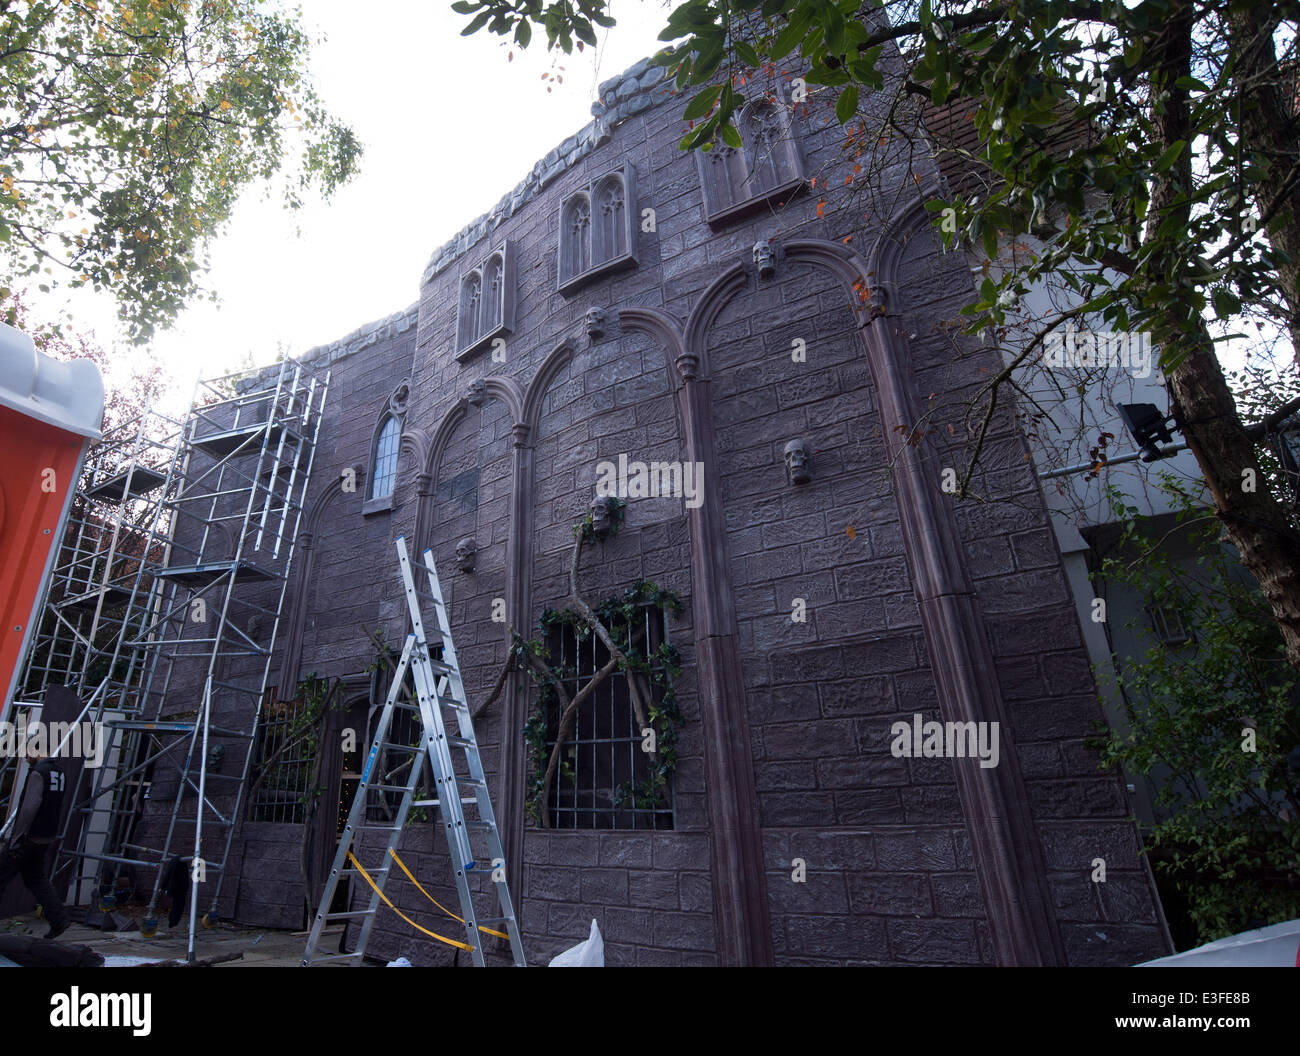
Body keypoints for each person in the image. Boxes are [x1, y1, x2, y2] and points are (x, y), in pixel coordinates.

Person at [0, 742, 69, 939]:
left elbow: (29, 807)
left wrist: (16, 838)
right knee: (36, 879)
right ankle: (59, 918)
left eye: (26, 754)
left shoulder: (38, 772)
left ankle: (59, 919)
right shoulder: (59, 773)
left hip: (28, 837)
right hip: (45, 836)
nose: (25, 759)